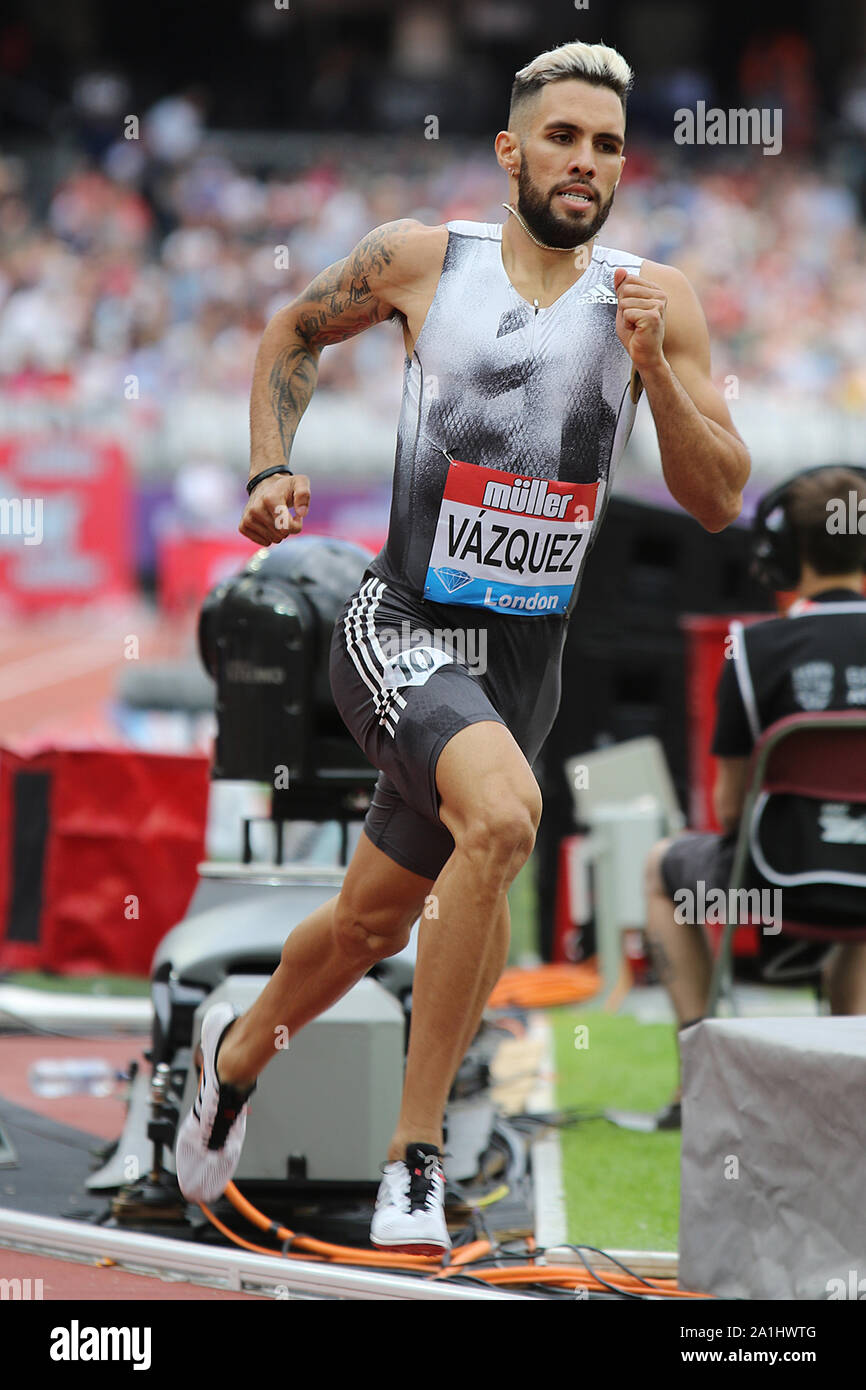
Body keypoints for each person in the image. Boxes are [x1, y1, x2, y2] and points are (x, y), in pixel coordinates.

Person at [175, 39, 749, 1254]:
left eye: (603, 143)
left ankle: (228, 1066)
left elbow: (716, 498)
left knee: (366, 927)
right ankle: (414, 1158)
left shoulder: (657, 301)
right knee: (504, 818)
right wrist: (271, 464)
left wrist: (656, 372)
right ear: (510, 149)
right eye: (560, 137)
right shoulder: (423, 261)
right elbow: (290, 333)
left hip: (520, 669)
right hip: (396, 627)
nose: (582, 161)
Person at [644, 465, 866, 1130]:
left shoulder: (752, 649)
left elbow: (731, 810)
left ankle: (700, 1079)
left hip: (773, 887)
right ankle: (849, 1069)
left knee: (662, 868)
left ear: (781, 556)